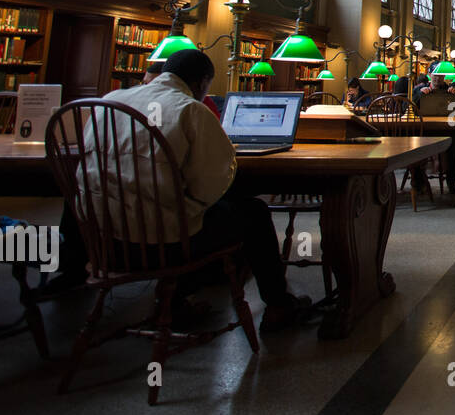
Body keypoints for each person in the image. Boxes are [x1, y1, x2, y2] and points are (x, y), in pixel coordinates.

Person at [75, 49, 310, 330]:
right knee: (253, 212)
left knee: (202, 212)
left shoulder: (109, 101)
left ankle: (174, 298)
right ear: (201, 84)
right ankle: (278, 306)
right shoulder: (189, 109)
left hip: (104, 241)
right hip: (162, 245)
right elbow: (209, 188)